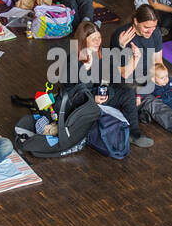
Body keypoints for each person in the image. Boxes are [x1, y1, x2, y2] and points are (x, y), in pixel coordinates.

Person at [60, 20, 151, 148]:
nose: (98, 42)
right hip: (80, 104)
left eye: (99, 37)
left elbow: (117, 75)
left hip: (97, 97)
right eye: (93, 39)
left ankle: (134, 132)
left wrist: (131, 55)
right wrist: (93, 97)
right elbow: (72, 93)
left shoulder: (100, 55)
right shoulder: (73, 61)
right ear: (83, 41)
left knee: (127, 91)